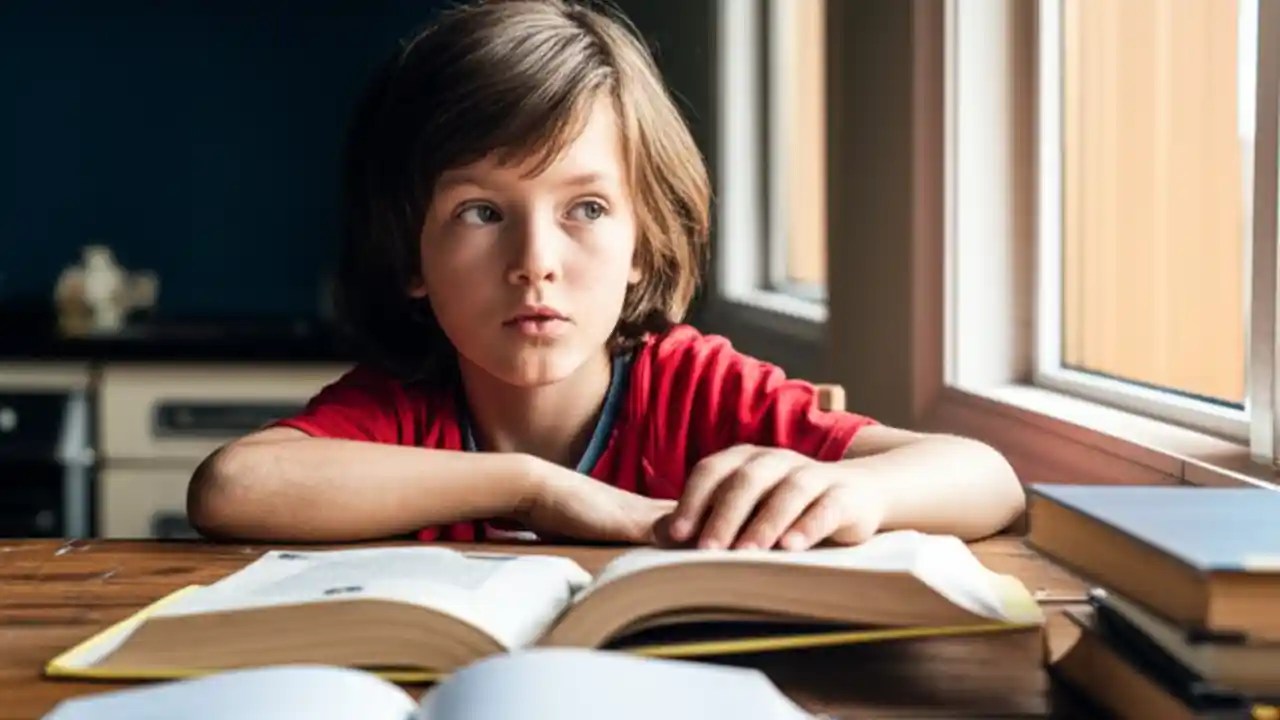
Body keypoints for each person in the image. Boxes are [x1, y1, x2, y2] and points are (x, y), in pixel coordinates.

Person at [187, 0, 1025, 550]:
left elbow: (986, 478)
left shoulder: (695, 388)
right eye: (481, 212)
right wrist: (536, 490)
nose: (535, 264)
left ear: (641, 245)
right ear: (410, 254)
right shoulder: (405, 406)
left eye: (585, 209)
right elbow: (234, 485)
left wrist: (850, 491)